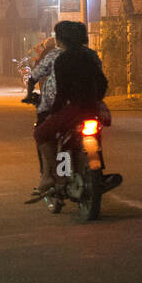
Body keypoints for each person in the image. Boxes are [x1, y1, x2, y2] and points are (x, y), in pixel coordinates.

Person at [26, 21, 107, 203]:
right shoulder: (91, 56)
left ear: (62, 39)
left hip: (72, 109)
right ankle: (98, 171)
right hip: (92, 107)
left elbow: (62, 92)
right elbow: (102, 82)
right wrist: (97, 99)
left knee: (41, 133)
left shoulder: (61, 58)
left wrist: (56, 112)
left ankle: (55, 174)